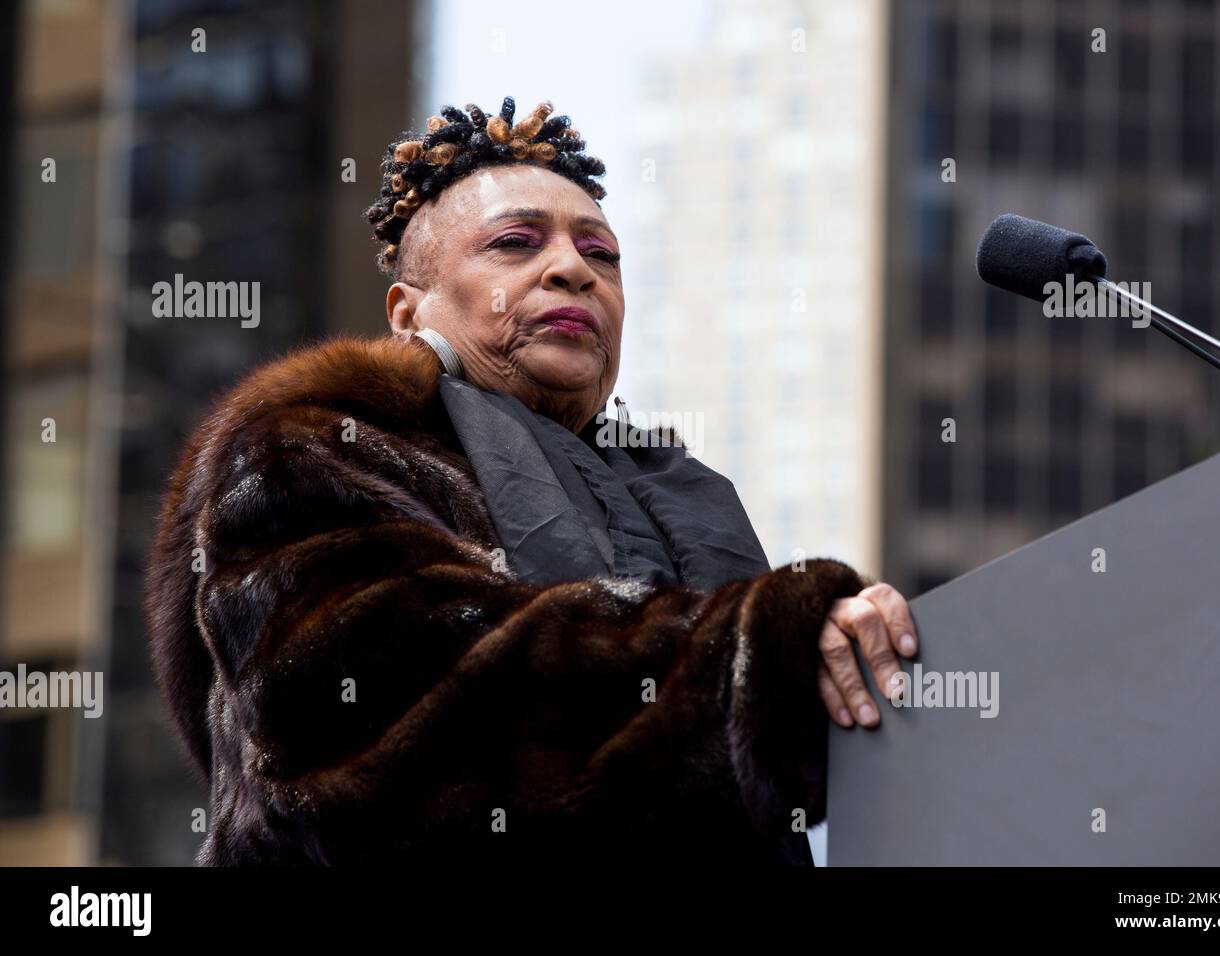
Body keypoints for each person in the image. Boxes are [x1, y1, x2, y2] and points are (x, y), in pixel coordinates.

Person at [143, 97, 918, 867]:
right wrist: (763, 653)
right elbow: (421, 714)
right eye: (515, 242)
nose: (572, 270)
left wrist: (863, 653)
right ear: (408, 314)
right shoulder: (305, 449)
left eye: (602, 256)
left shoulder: (679, 490)